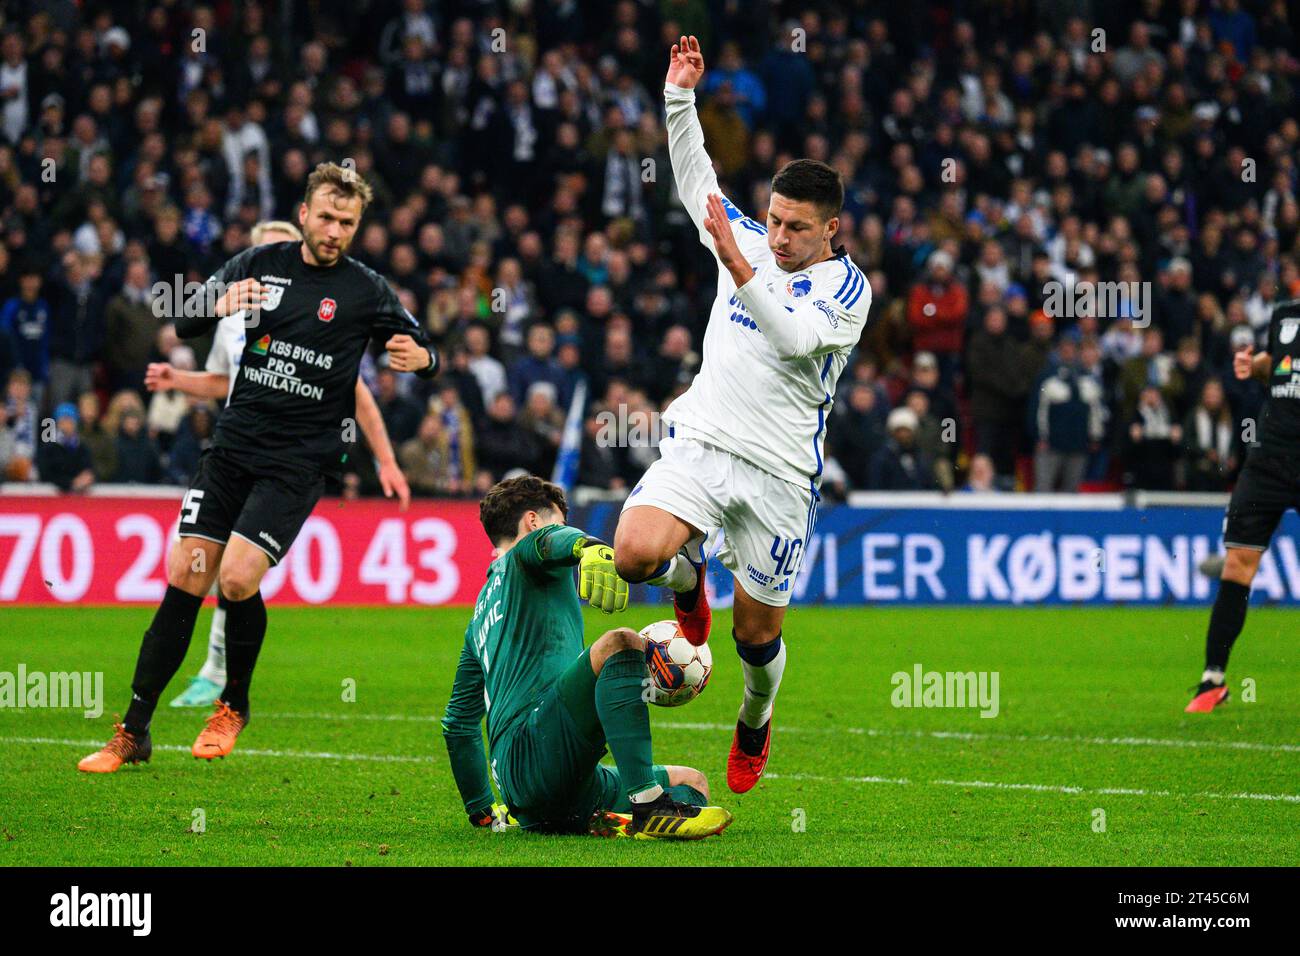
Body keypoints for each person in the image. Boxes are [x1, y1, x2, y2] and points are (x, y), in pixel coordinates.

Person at [78, 164, 439, 772]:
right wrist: (218, 303)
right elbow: (185, 321)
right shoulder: (259, 264)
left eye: (347, 222)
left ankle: (233, 704)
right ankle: (133, 731)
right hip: (232, 448)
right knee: (187, 574)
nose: (335, 231)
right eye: (326, 217)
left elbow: (422, 347)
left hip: (296, 463)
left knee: (238, 579)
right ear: (303, 213)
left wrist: (422, 359)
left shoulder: (364, 289)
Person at [612, 37, 871, 795]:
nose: (779, 235)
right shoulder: (748, 239)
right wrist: (678, 96)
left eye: (796, 227)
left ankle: (755, 721)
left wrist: (739, 262)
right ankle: (687, 572)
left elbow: (792, 341)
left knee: (756, 640)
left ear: (831, 231)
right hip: (703, 441)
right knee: (632, 554)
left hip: (779, 479)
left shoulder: (846, 293)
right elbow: (695, 179)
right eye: (773, 219)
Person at [442, 475, 732, 839]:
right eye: (559, 521)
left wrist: (483, 810)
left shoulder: (478, 620)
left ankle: (580, 816)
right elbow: (548, 542)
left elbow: (458, 725)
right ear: (533, 521)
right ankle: (648, 807)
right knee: (621, 643)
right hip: (537, 752)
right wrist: (587, 546)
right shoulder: (523, 558)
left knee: (694, 783)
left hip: (532, 791)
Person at [1186, 299, 1300, 712]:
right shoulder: (1285, 314)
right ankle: (1212, 680)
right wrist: (1255, 367)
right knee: (1237, 564)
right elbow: (1281, 364)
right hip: (1270, 457)